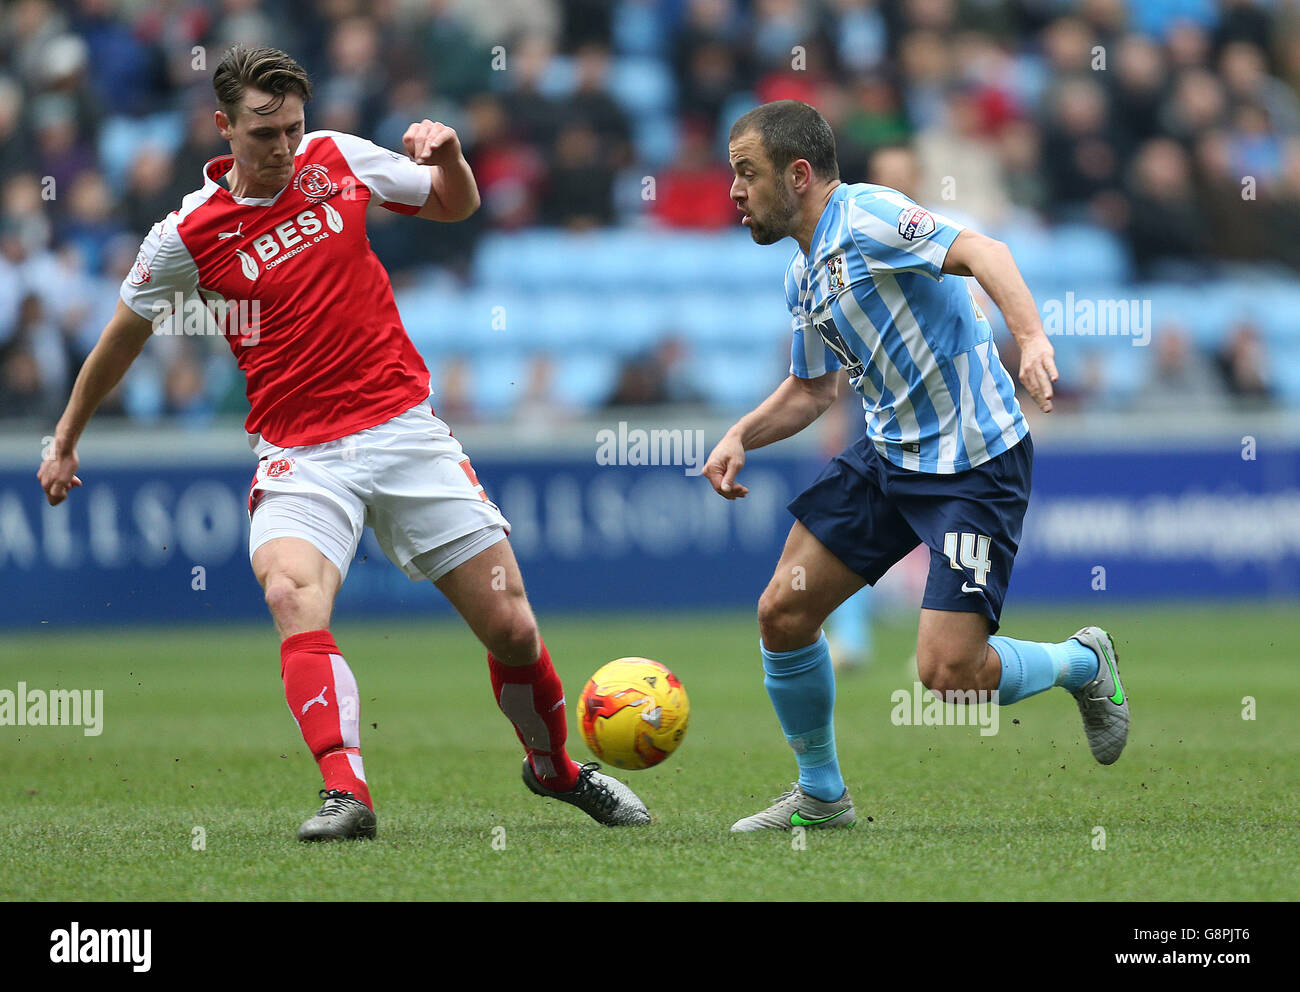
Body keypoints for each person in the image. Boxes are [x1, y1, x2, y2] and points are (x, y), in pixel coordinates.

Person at [37, 44, 649, 841]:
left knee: (512, 628)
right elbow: (122, 337)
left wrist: (455, 157)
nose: (284, 147)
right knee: (292, 593)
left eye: (292, 127)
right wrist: (66, 438)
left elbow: (450, 206)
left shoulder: (339, 158)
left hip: (404, 430)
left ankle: (556, 769)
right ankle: (346, 794)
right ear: (223, 127)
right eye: (263, 133)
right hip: (302, 455)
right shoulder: (186, 234)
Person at [703, 100, 1129, 832]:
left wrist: (1029, 338)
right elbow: (812, 391)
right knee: (783, 612)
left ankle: (1084, 663)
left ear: (798, 175)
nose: (734, 192)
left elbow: (986, 252)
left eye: (747, 173)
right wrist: (743, 432)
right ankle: (822, 795)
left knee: (947, 674)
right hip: (886, 457)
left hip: (973, 462)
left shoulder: (868, 217)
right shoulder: (803, 275)